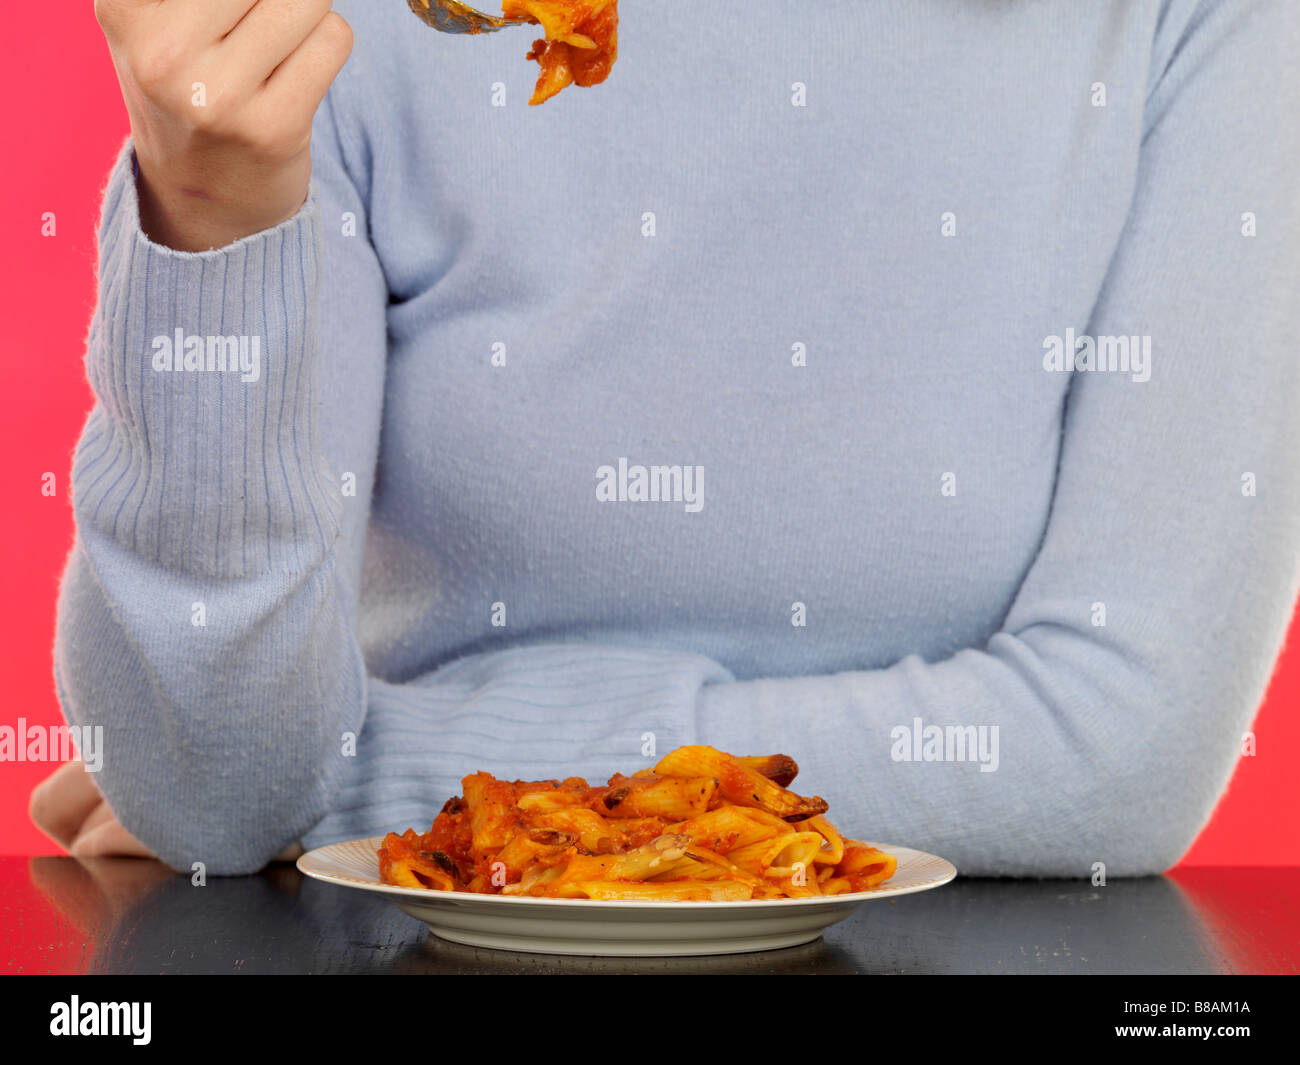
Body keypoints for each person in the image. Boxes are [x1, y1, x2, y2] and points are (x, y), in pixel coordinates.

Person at [31, 0, 1300, 877]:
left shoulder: (1197, 23)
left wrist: (375, 776)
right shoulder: (362, 30)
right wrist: (209, 219)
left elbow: (1119, 752)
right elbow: (213, 783)